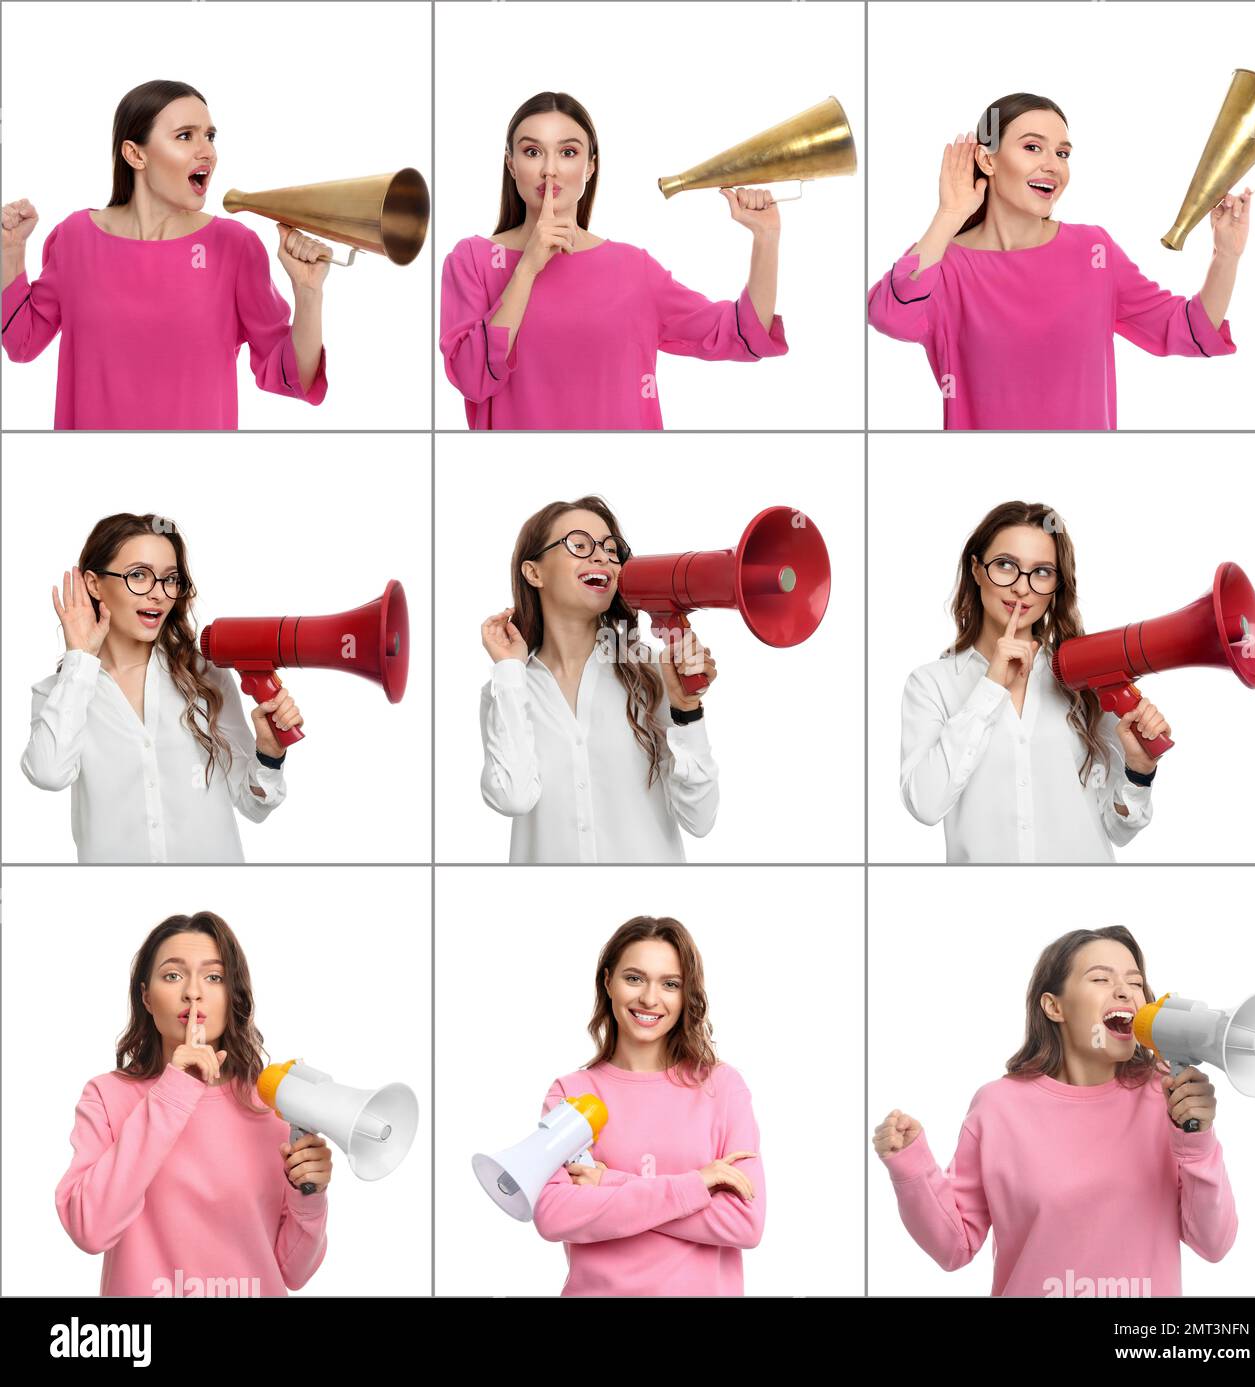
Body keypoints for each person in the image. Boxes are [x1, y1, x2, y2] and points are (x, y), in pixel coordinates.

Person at [873, 926, 1235, 1297]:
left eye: (1136, 982)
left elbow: (1214, 1243)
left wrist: (1197, 1141)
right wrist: (912, 1167)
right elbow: (954, 1246)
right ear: (1054, 1006)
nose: (1126, 991)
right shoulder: (999, 1108)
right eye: (1100, 978)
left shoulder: (1167, 1097)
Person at [867, 93, 1247, 429]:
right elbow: (889, 316)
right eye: (1033, 147)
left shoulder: (1092, 250)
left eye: (1062, 153)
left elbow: (1187, 328)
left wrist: (1225, 255)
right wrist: (949, 215)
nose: (1053, 165)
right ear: (988, 159)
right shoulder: (945, 266)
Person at [440, 91, 787, 428]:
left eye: (568, 152)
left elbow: (742, 334)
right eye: (532, 151)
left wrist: (766, 238)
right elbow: (472, 380)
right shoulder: (473, 261)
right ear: (511, 164)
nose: (550, 169)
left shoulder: (633, 270)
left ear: (590, 167)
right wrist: (527, 268)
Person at [1, 79, 329, 428]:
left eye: (210, 136)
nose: (207, 151)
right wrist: (10, 249)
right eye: (186, 136)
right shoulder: (74, 238)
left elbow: (291, 375)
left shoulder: (234, 245)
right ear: (135, 155)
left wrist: (309, 293)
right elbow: (22, 343)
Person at [55, 912, 332, 1296]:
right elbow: (90, 1229)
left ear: (233, 996)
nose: (193, 991)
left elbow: (292, 1272)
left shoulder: (272, 1105)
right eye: (172, 975)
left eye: (214, 976)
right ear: (146, 997)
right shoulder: (106, 1097)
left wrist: (311, 1196)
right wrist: (173, 1092)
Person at [21, 512, 302, 862]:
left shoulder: (205, 676)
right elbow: (47, 773)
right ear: (94, 584)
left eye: (170, 579)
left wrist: (269, 754)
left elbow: (253, 804)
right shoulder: (59, 693)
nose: (158, 594)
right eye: (138, 575)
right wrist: (80, 658)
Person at [900, 500, 1170, 862]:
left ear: (1056, 585)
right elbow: (925, 803)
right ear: (977, 570)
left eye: (1041, 572)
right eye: (1006, 565)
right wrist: (991, 686)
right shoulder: (931, 685)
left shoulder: (1083, 676)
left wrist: (1138, 772)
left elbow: (1118, 829)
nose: (1021, 588)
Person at [480, 495, 720, 862]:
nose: (602, 557)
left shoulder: (654, 677)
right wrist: (509, 671)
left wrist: (686, 710)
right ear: (534, 572)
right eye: (579, 545)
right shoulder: (507, 688)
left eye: (612, 549)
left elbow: (700, 818)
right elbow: (513, 797)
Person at [532, 917, 763, 1296]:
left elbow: (744, 1223)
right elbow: (554, 1215)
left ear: (685, 994)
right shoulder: (570, 1093)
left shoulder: (721, 1087)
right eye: (634, 978)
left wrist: (611, 1182)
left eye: (669, 984)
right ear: (608, 982)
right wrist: (697, 1185)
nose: (650, 999)